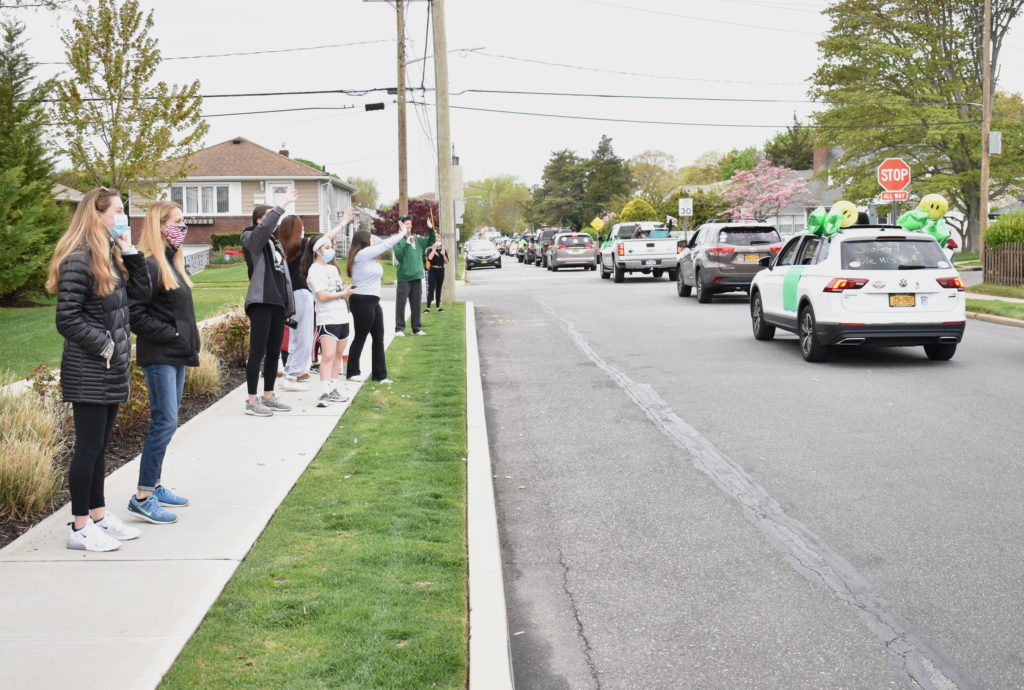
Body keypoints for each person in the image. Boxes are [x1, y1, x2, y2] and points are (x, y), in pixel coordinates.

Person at [47, 187, 151, 551]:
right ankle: (79, 527)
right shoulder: (79, 259)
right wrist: (105, 345)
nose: (123, 215)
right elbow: (68, 320)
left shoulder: (108, 256)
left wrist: (129, 248)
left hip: (109, 368)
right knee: (88, 447)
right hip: (89, 368)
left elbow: (142, 293)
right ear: (97, 214)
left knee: (101, 445)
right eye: (119, 210)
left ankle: (99, 515)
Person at [126, 201, 200, 525]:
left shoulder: (171, 262)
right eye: (178, 222)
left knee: (168, 422)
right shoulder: (150, 265)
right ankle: (143, 496)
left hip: (176, 353)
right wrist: (170, 335)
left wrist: (183, 339)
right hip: (160, 356)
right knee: (164, 422)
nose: (183, 228)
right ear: (159, 227)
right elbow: (135, 315)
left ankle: (154, 485)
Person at [240, 189, 298, 416]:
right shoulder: (250, 237)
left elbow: (283, 277)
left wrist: (287, 306)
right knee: (258, 352)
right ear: (258, 219)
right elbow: (262, 231)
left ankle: (268, 396)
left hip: (276, 303)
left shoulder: (276, 245)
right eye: (270, 216)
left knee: (274, 352)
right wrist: (282, 204)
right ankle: (252, 401)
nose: (274, 222)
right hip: (260, 301)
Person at [346, 226, 409, 382]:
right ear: (363, 241)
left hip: (373, 301)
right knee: (360, 337)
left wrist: (374, 239)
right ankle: (352, 372)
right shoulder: (361, 255)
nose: (373, 241)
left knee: (379, 337)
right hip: (362, 300)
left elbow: (382, 242)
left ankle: (380, 375)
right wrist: (402, 233)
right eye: (370, 239)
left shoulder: (369, 256)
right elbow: (385, 244)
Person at [304, 235, 354, 406]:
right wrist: (343, 294)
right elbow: (322, 296)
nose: (330, 250)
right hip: (327, 318)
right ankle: (325, 393)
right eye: (326, 247)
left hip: (342, 316)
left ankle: (333, 389)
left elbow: (336, 290)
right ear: (317, 251)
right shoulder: (314, 271)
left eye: (331, 246)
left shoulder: (332, 269)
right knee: (328, 355)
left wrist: (344, 290)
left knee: (338, 355)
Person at [392, 213, 435, 336]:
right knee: (401, 304)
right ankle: (399, 329)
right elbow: (399, 256)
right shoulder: (397, 241)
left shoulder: (417, 239)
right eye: (407, 224)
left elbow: (430, 241)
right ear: (401, 226)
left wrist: (430, 228)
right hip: (404, 277)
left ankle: (416, 328)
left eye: (410, 223)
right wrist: (406, 242)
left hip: (417, 276)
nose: (409, 225)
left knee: (416, 304)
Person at [423, 239, 449, 313]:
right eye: (436, 240)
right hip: (432, 270)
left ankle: (438, 307)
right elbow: (429, 258)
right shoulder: (429, 250)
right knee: (431, 289)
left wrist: (443, 254)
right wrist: (434, 250)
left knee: (439, 288)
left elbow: (446, 261)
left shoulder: (443, 250)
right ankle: (428, 307)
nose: (438, 242)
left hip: (441, 270)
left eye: (439, 240)